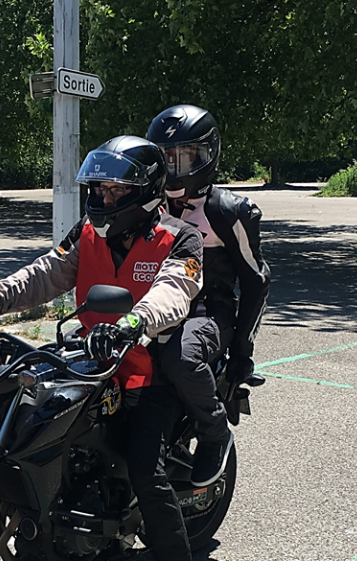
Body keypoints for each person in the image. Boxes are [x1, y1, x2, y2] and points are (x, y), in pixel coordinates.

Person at [0, 136, 205, 561]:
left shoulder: (180, 239)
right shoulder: (87, 230)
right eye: (99, 190)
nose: (105, 200)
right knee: (22, 417)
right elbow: (46, 273)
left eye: (116, 191)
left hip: (147, 370)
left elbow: (175, 290)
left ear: (148, 192)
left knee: (146, 471)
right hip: (88, 361)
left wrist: (135, 321)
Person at [145, 104, 271, 487]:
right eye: (167, 157)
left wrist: (242, 353)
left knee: (181, 358)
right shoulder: (149, 202)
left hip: (207, 311)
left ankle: (214, 435)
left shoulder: (228, 210)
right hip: (153, 307)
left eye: (187, 156)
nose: (176, 167)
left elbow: (256, 281)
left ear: (208, 154)